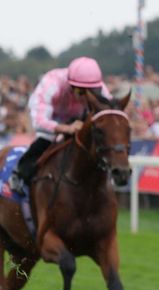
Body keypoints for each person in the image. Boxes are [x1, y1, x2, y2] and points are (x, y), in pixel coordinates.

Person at [8, 57, 112, 195]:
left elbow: (111, 116)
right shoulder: (51, 82)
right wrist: (67, 128)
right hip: (52, 117)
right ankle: (20, 174)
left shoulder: (101, 89)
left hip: (79, 116)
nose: (85, 97)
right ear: (71, 85)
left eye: (91, 92)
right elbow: (39, 121)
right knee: (46, 138)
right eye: (81, 92)